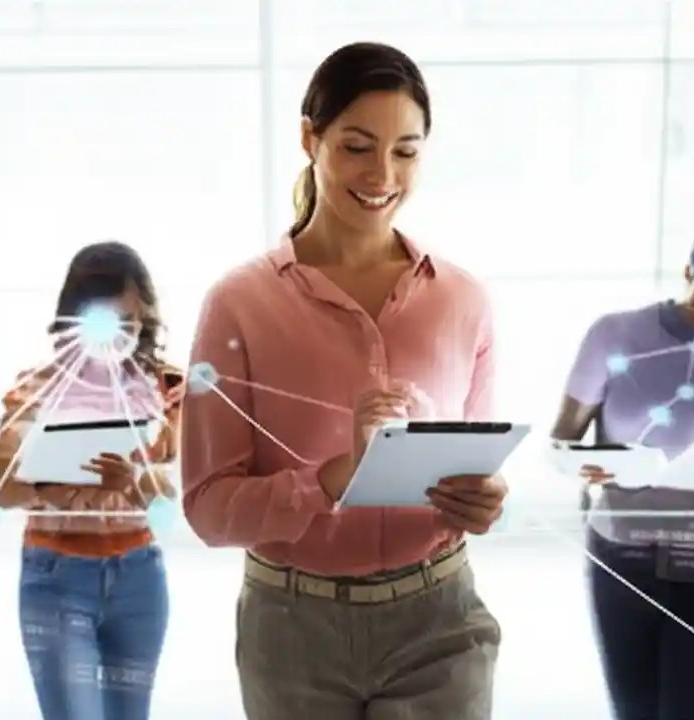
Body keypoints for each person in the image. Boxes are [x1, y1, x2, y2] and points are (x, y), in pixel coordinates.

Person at [181, 41, 507, 720]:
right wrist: (337, 474)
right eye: (357, 146)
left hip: (441, 622)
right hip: (294, 630)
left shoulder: (465, 300)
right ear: (311, 138)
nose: (382, 173)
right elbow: (209, 510)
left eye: (406, 151)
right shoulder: (238, 304)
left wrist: (485, 497)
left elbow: (475, 461)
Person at [552, 202, 694, 720]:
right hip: (623, 559)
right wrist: (586, 466)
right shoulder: (613, 335)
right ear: (691, 270)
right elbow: (562, 441)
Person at [0, 241, 181, 720]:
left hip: (139, 574)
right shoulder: (35, 386)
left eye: (131, 322)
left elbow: (172, 498)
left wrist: (135, 480)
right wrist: (44, 488)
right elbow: (1, 490)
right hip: (55, 575)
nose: (120, 336)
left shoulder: (162, 387)